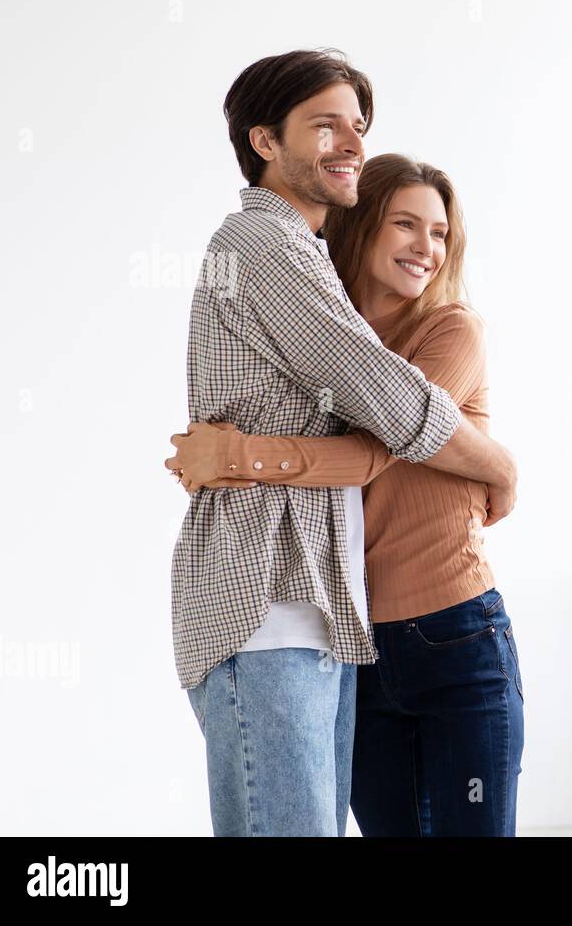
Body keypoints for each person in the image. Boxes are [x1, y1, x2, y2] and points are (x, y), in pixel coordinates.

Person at [169, 50, 518, 837]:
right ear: (264, 141)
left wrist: (243, 455)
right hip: (265, 597)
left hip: (317, 606)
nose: (349, 142)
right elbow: (395, 407)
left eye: (356, 126)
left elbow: (374, 431)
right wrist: (497, 462)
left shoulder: (314, 262)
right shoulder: (267, 247)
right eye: (323, 125)